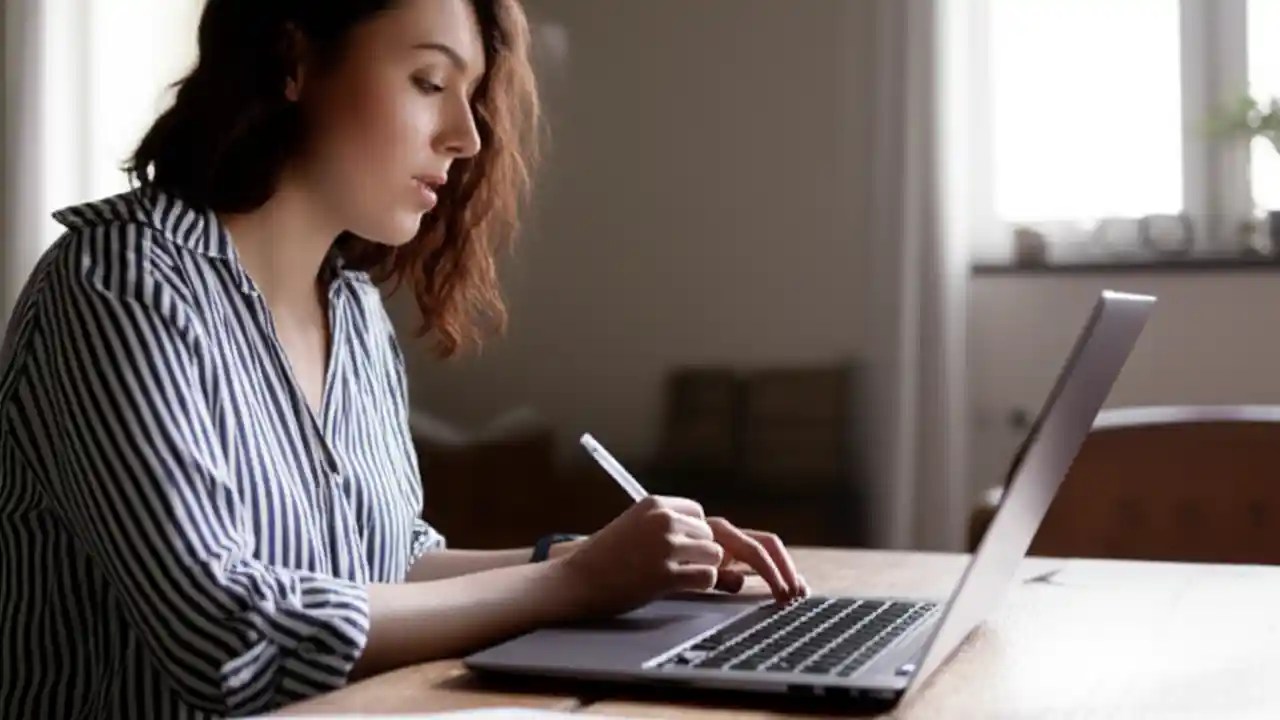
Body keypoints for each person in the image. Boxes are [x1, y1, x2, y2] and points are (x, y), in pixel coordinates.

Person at [0, 0, 811, 717]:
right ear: (293, 62)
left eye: (470, 96)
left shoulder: (349, 309)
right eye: (430, 82)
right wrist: (573, 584)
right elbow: (226, 634)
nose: (466, 136)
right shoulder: (117, 284)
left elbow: (387, 562)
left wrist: (612, 557)